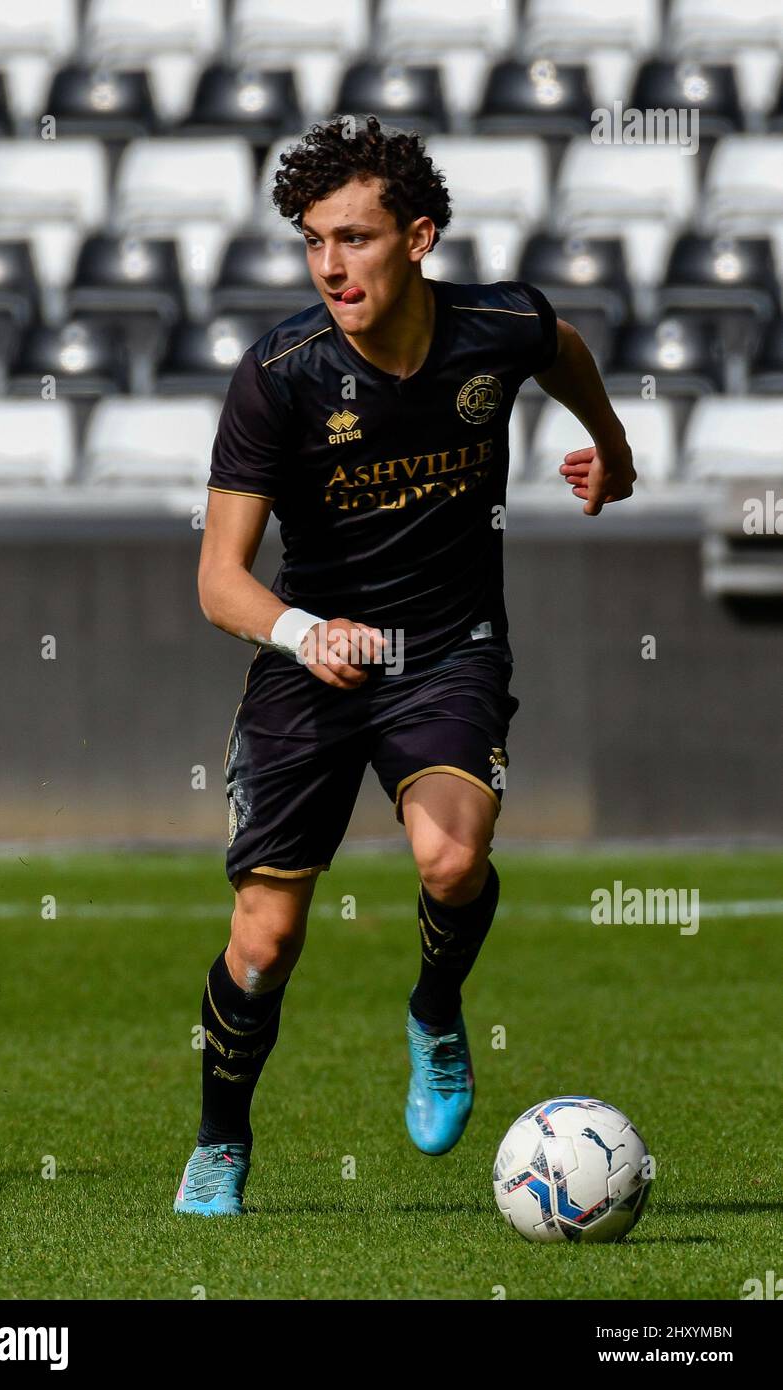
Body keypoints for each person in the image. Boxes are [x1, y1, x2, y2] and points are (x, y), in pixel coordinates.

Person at [174, 114, 635, 1215]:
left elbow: (561, 345)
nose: (330, 265)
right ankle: (220, 1140)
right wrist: (302, 631)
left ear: (418, 237)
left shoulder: (496, 326)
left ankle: (433, 1012)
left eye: (355, 237)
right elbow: (219, 581)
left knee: (449, 859)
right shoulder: (278, 375)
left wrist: (611, 451)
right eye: (312, 242)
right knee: (265, 940)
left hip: (447, 647)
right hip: (311, 659)